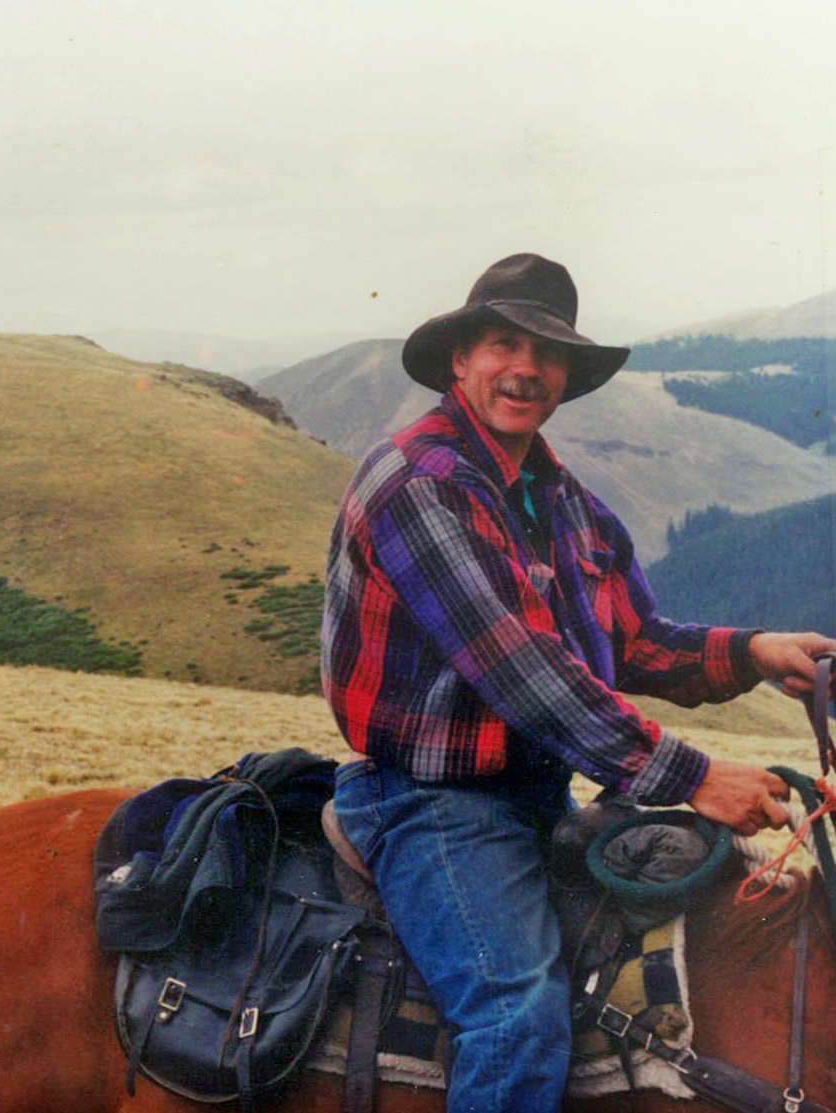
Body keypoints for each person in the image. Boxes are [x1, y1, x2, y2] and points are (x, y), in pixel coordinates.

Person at [319, 253, 836, 1112]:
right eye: (502, 343)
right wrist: (696, 778)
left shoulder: (559, 498)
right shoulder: (418, 482)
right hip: (431, 804)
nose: (525, 368)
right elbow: (523, 672)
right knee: (516, 1022)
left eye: (546, 352)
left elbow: (630, 639)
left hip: (536, 799)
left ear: (565, 374)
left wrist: (753, 651)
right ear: (460, 360)